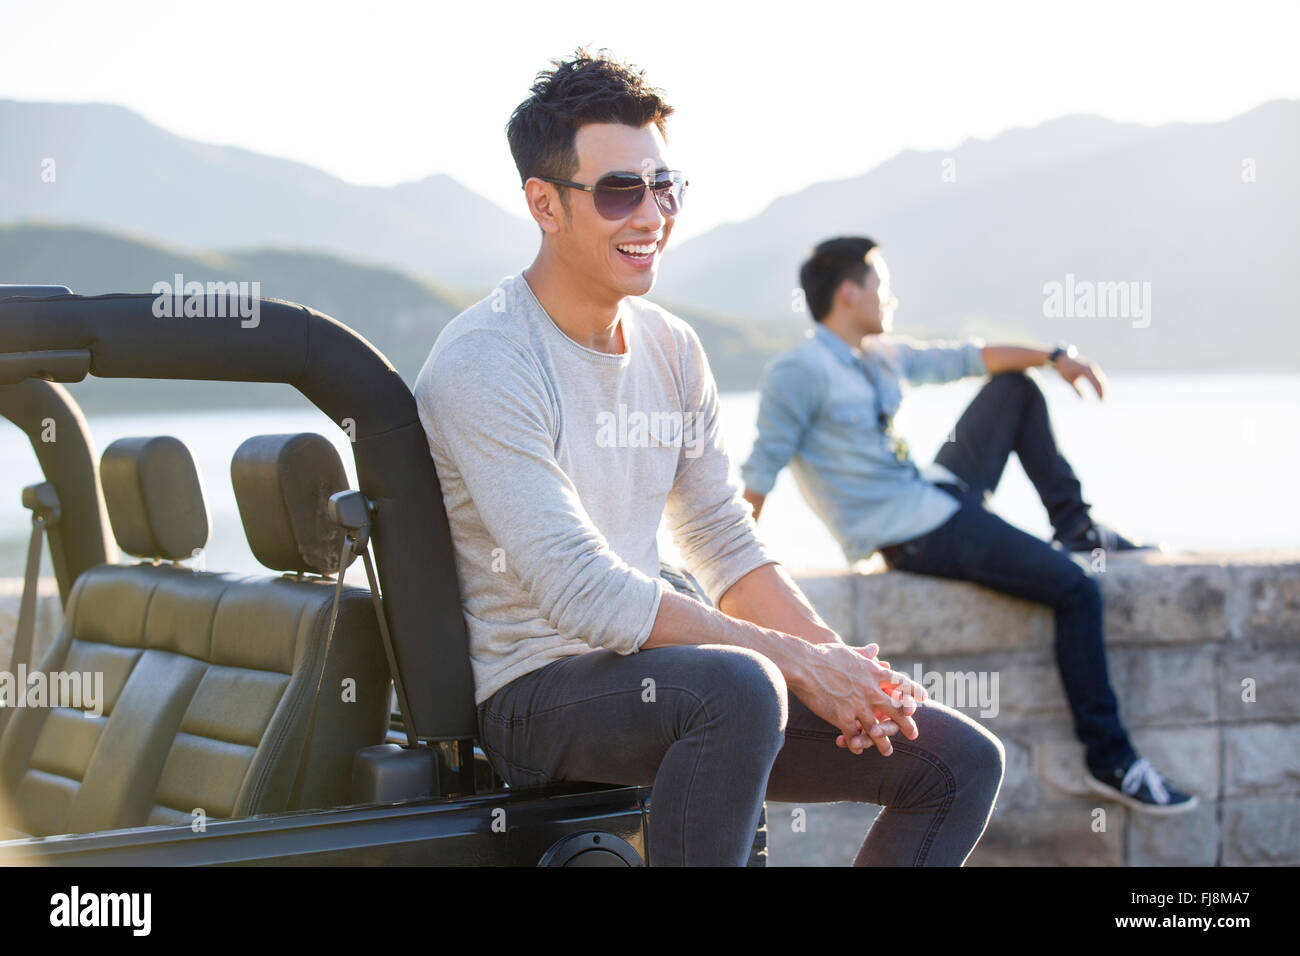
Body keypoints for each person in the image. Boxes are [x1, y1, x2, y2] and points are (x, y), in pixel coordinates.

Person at [414, 50, 1005, 866]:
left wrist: (838, 667)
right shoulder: (485, 360)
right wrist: (793, 664)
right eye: (620, 190)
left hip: (679, 679)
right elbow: (582, 591)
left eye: (664, 186)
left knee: (955, 760)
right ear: (544, 204)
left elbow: (723, 542)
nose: (651, 213)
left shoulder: (672, 347)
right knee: (737, 686)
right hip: (534, 695)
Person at [740, 236, 1196, 814]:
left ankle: (1076, 526)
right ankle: (1112, 761)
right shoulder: (798, 371)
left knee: (1014, 389)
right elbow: (760, 473)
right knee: (1076, 589)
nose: (890, 297)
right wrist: (732, 578)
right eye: (881, 285)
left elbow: (966, 357)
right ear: (849, 292)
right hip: (914, 533)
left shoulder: (877, 354)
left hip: (935, 493)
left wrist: (1055, 355)